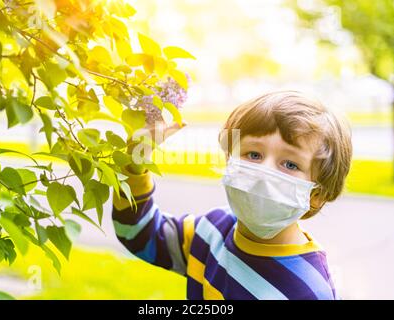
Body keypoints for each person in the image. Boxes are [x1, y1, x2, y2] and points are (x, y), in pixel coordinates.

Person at [111, 90, 352, 300]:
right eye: (253, 154)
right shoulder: (212, 231)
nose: (262, 172)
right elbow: (139, 234)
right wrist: (134, 161)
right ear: (230, 160)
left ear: (316, 194)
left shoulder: (310, 290)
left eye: (289, 164)